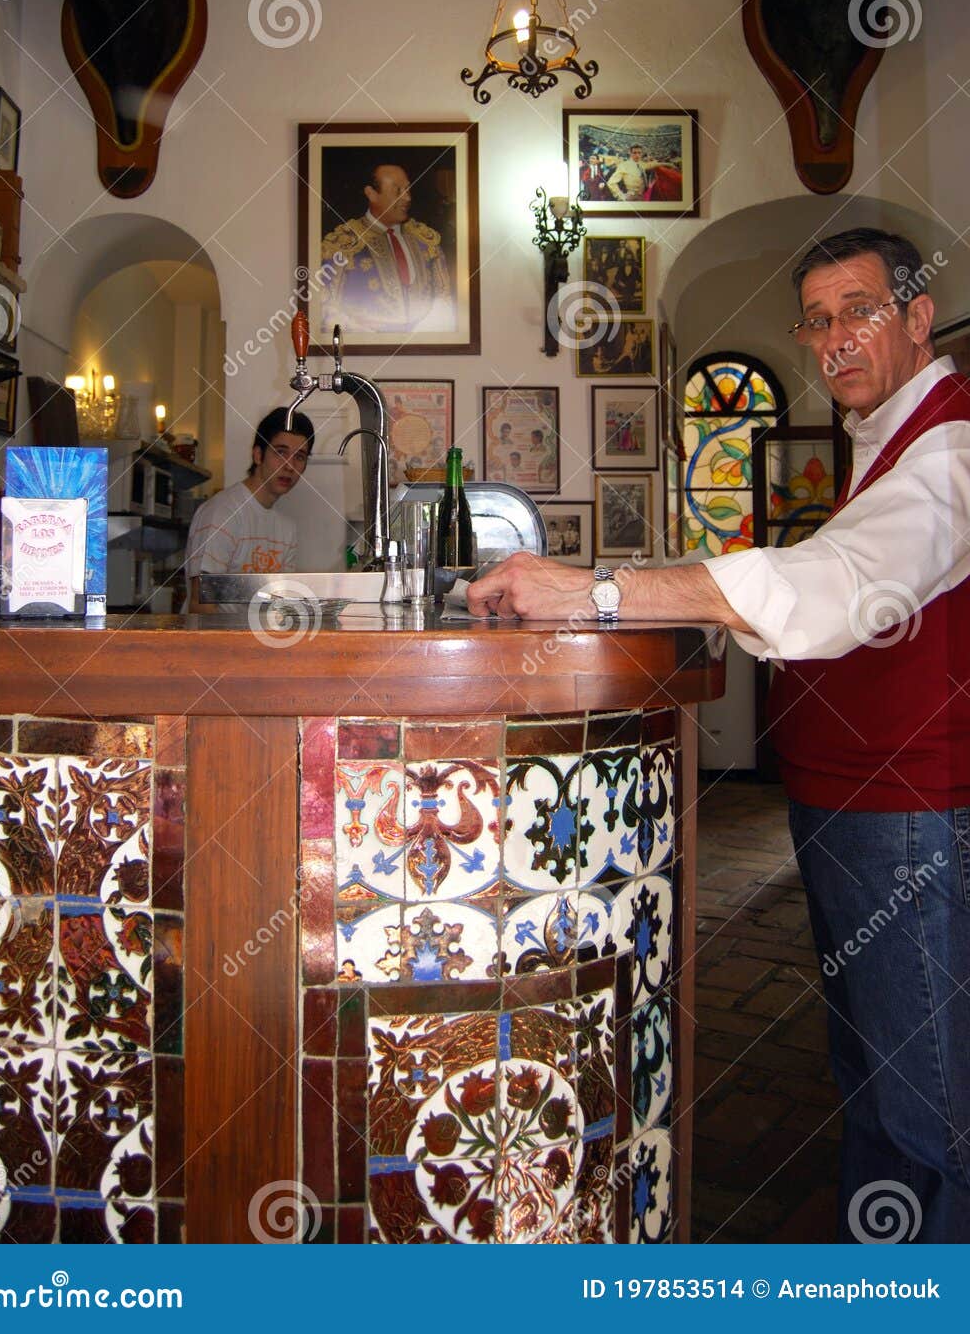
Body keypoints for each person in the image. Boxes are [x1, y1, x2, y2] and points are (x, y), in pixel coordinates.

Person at [468, 227, 970, 1243]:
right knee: (875, 1081)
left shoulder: (952, 444)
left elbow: (836, 589)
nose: (834, 339)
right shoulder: (890, 440)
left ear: (918, 317)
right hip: (853, 803)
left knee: (931, 1109)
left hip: (910, 810)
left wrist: (598, 590)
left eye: (860, 310)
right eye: (817, 319)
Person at [185, 406, 314, 609]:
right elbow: (201, 603)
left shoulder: (287, 528)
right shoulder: (222, 512)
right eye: (280, 453)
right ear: (258, 455)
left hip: (262, 638)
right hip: (218, 639)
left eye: (299, 457)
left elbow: (280, 603)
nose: (289, 466)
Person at [318, 162, 453, 333]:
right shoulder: (342, 244)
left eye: (407, 189)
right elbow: (324, 308)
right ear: (371, 194)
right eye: (397, 191)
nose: (407, 198)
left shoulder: (426, 241)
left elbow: (445, 300)